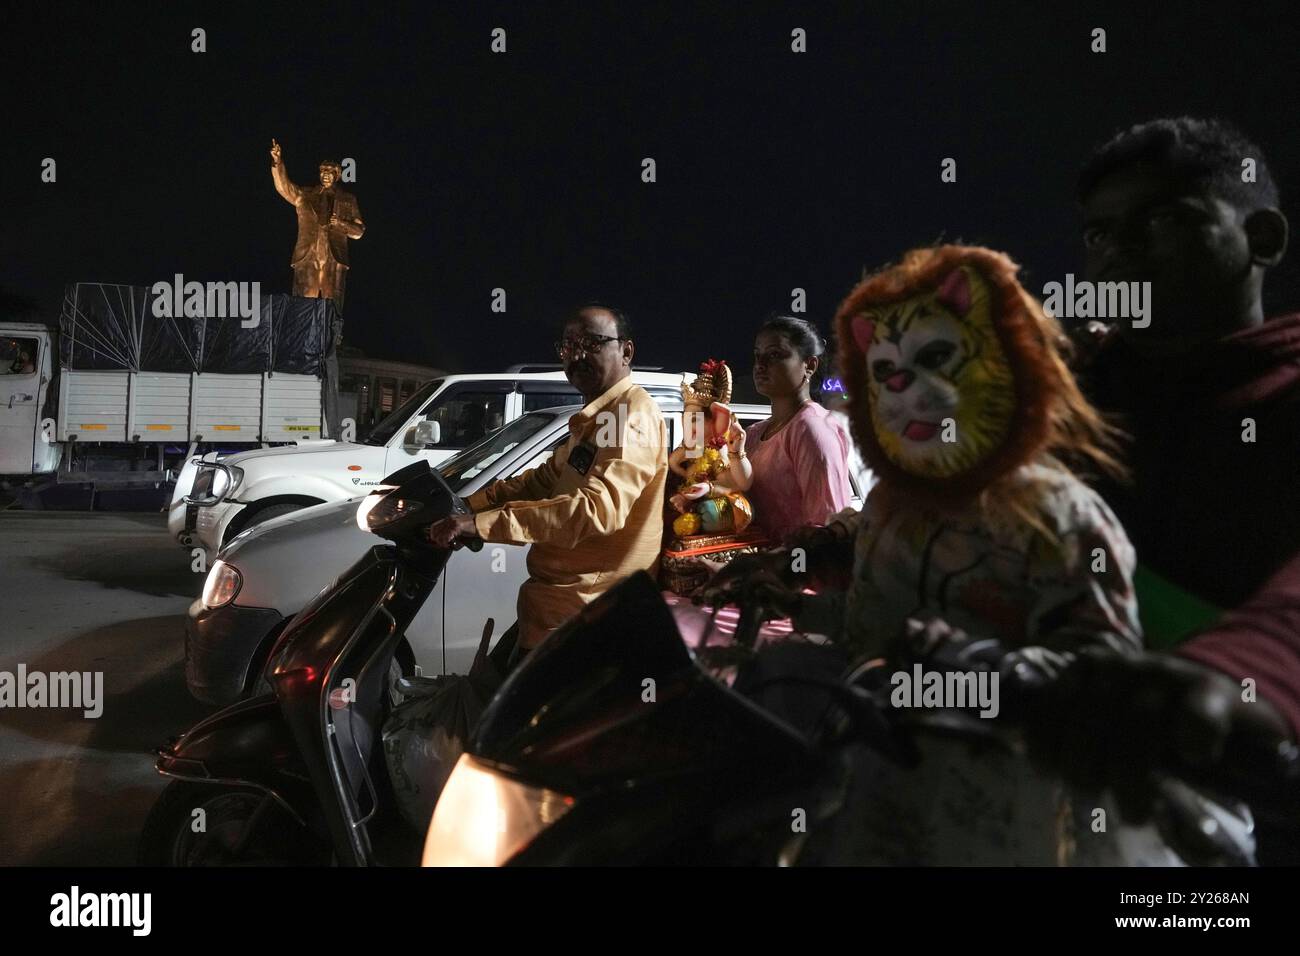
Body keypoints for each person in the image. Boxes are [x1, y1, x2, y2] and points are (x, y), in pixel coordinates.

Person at [710, 245, 1143, 662]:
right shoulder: (891, 506)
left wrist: (968, 661)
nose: (900, 386)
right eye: (883, 370)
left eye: (935, 356)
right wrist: (788, 600)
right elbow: (868, 624)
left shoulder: (1053, 514)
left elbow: (1100, 675)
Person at [426, 304, 668, 660]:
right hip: (553, 607)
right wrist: (468, 505)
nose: (578, 355)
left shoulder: (630, 417)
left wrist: (480, 525)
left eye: (592, 343)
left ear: (626, 351)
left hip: (587, 616)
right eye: (569, 347)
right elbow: (542, 481)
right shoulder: (599, 417)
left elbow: (596, 510)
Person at [742, 316, 853, 543]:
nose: (760, 365)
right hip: (758, 570)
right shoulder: (753, 434)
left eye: (774, 355)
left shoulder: (812, 429)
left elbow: (827, 529)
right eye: (757, 355)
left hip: (799, 573)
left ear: (810, 365)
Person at [269, 139, 365, 313]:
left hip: (334, 257)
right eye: (323, 171)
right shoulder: (304, 195)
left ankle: (332, 339)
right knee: (301, 307)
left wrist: (342, 224)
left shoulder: (348, 199)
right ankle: (301, 338)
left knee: (333, 310)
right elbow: (284, 187)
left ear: (337, 175)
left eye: (330, 171)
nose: (325, 174)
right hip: (307, 255)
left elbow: (359, 231)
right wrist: (278, 161)